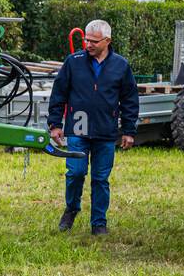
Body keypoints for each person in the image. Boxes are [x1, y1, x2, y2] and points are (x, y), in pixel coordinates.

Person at [47, 19, 140, 236]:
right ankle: (71, 209)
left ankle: (99, 222)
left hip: (105, 131)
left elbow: (129, 99)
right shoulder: (73, 62)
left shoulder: (120, 65)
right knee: (75, 173)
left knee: (100, 178)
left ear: (107, 41)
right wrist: (55, 124)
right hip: (78, 127)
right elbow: (58, 93)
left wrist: (129, 130)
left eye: (94, 41)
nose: (88, 44)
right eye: (86, 39)